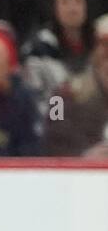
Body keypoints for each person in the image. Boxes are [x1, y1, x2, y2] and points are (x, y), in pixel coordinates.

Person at [22, 0, 96, 105]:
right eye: (65, 2)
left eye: (78, 1)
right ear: (55, 8)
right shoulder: (38, 48)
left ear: (86, 6)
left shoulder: (100, 44)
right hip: (56, 116)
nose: (72, 8)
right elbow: (35, 99)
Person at [45, 13, 108, 155]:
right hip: (79, 172)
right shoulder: (61, 95)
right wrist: (84, 155)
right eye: (105, 44)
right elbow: (53, 137)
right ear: (95, 47)